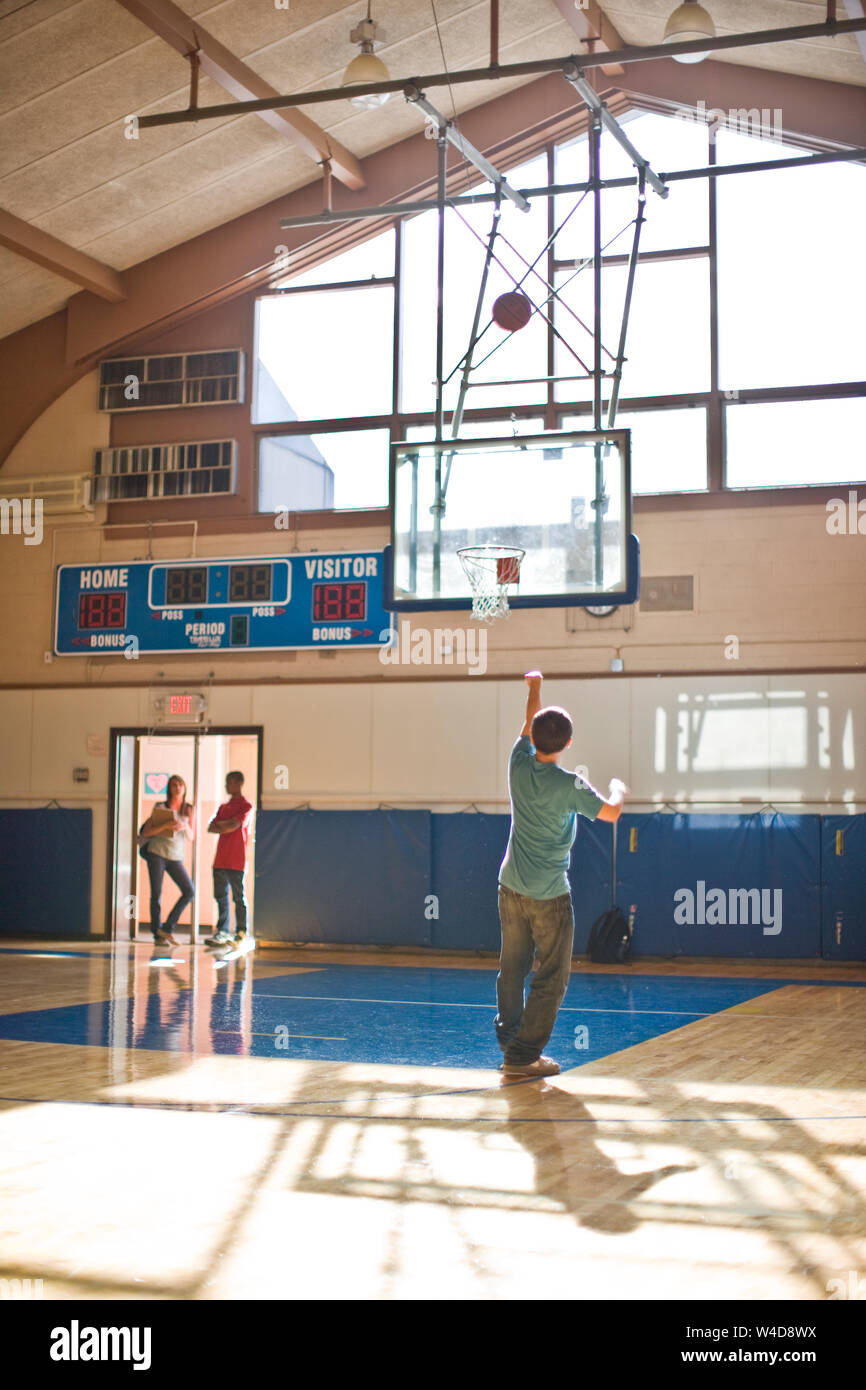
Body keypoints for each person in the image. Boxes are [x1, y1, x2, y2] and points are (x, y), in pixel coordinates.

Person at [496, 670, 628, 1078]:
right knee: (552, 975)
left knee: (513, 967)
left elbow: (529, 722)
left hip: (510, 886)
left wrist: (534, 688)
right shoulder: (570, 785)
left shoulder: (518, 762)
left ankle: (511, 1041)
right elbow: (610, 812)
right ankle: (523, 1057)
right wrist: (619, 789)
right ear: (568, 743)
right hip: (549, 895)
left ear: (532, 738)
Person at [140, 774, 195, 947]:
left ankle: (168, 928)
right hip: (157, 853)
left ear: (184, 788)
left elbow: (192, 836)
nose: (177, 787)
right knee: (156, 894)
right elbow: (146, 832)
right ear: (169, 789)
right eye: (173, 785)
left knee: (189, 891)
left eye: (180, 784)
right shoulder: (161, 807)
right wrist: (165, 826)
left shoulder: (188, 809)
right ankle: (158, 935)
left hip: (176, 856)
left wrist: (185, 826)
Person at [205, 771, 253, 947]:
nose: (227, 786)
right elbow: (211, 827)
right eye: (226, 782)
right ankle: (222, 931)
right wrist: (226, 825)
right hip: (220, 860)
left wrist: (224, 825)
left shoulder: (246, 806)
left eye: (230, 782)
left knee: (239, 897)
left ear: (239, 783)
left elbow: (235, 825)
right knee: (220, 896)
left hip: (236, 860)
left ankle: (241, 932)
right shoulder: (223, 807)